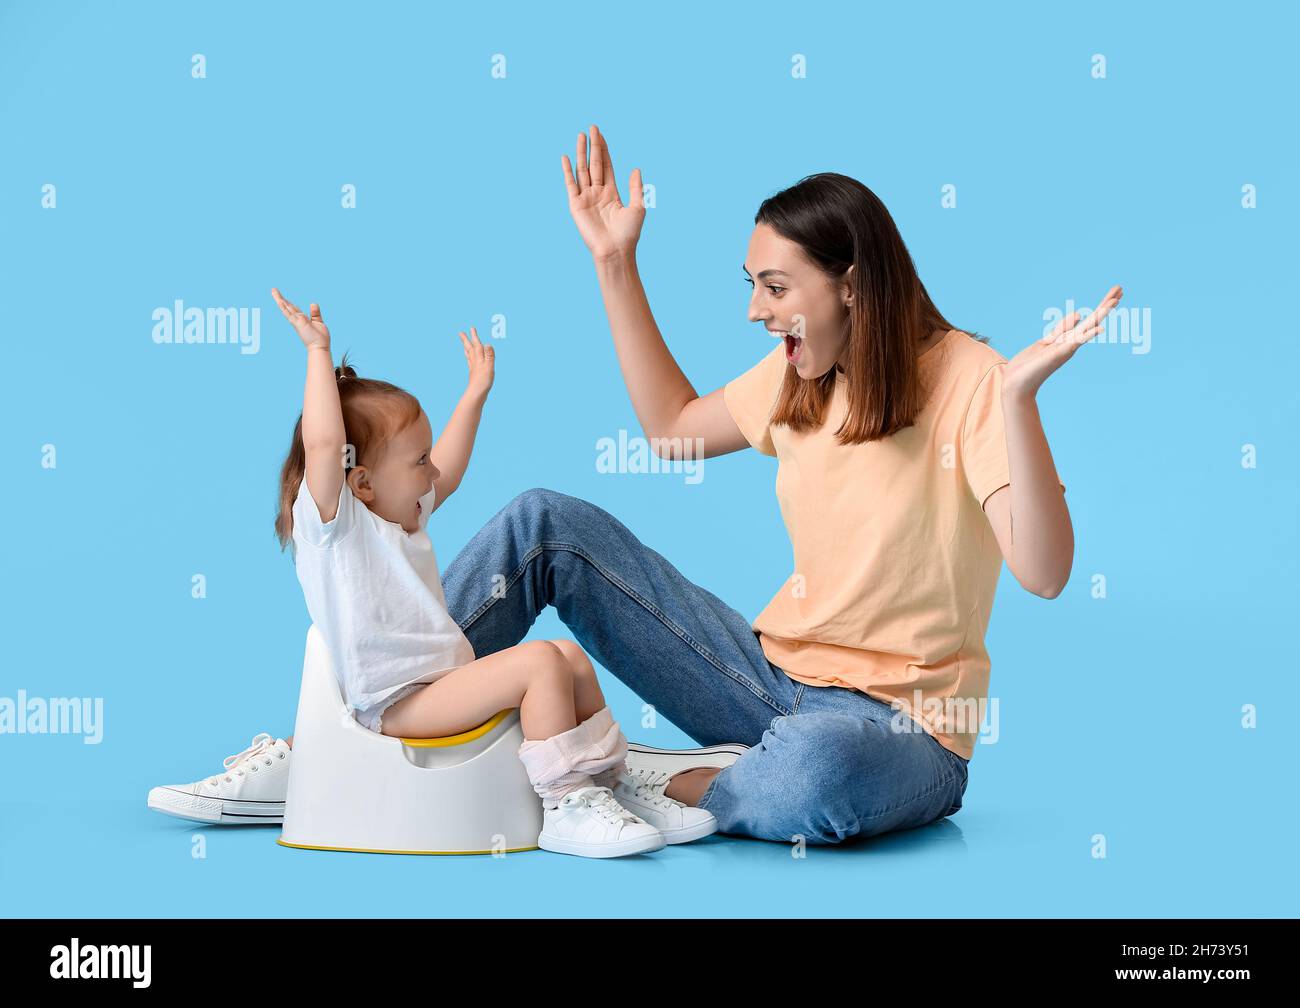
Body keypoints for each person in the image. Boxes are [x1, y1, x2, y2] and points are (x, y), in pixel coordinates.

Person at [149, 123, 1120, 846]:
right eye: (750, 284)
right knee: (545, 524)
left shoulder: (968, 378)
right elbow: (672, 429)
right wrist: (616, 264)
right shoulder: (796, 376)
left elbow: (1042, 572)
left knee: (818, 775)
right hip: (763, 679)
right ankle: (358, 734)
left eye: (775, 286)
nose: (754, 310)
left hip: (904, 730)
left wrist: (1021, 402)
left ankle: (668, 782)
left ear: (852, 283)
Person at [147, 287, 716, 860]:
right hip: (393, 705)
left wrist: (474, 395)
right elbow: (324, 444)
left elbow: (452, 471)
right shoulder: (336, 527)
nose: (432, 470)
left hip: (439, 686)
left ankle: (610, 785)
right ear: (361, 480)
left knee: (567, 658)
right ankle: (566, 805)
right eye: (417, 460)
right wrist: (318, 353)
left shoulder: (403, 515)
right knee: (541, 661)